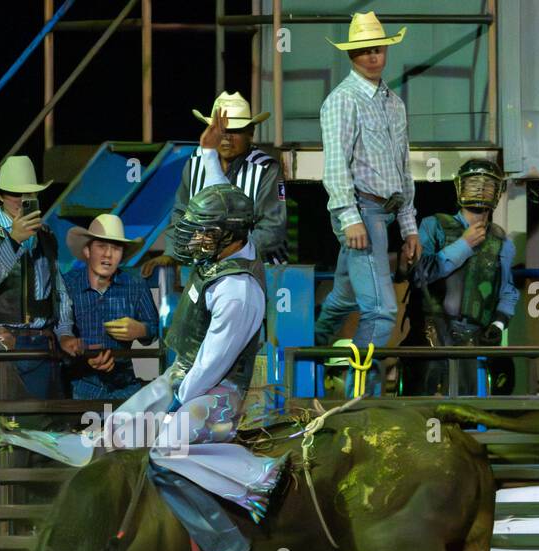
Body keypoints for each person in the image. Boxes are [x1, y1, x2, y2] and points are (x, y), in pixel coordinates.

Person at [0, 110, 285, 551]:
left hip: (217, 393)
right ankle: (37, 438)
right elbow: (218, 197)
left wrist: (169, 405)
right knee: (116, 433)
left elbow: (210, 366)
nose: (195, 238)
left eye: (205, 231)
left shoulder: (238, 289)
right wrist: (207, 150)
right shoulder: (228, 248)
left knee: (164, 451)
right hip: (186, 375)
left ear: (227, 235)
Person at [312, 12, 420, 394]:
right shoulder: (342, 100)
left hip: (384, 211)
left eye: (378, 49)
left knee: (344, 295)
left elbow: (403, 167)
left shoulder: (393, 102)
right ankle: (361, 393)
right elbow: (335, 164)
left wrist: (408, 226)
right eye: (364, 51)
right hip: (363, 209)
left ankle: (310, 353)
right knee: (381, 310)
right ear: (352, 55)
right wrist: (348, 216)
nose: (373, 56)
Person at [0, 156, 82, 398]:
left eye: (29, 194)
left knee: (44, 428)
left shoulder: (45, 236)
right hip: (3, 344)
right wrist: (13, 241)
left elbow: (57, 290)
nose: (22, 200)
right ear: (0, 195)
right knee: (8, 426)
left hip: (42, 345)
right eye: (15, 194)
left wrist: (65, 331)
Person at [141, 91, 288, 275]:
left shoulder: (266, 169)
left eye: (235, 131)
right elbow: (181, 213)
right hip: (205, 269)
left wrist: (229, 255)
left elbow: (272, 229)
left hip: (260, 270)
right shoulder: (195, 163)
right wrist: (172, 253)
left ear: (251, 132)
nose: (227, 137)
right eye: (221, 131)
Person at [404, 158, 517, 397]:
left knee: (471, 411)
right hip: (431, 335)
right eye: (474, 183)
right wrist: (463, 245)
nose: (480, 189)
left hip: (475, 338)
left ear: (497, 191)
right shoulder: (434, 225)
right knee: (424, 410)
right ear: (459, 187)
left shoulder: (501, 241)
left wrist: (498, 324)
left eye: (488, 184)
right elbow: (419, 276)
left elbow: (507, 290)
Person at [62, 214, 159, 401]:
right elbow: (57, 333)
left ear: (122, 255)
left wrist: (140, 330)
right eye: (101, 246)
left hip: (124, 388)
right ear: (88, 251)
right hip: (78, 388)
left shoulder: (135, 283)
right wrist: (85, 356)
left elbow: (153, 328)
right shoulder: (67, 285)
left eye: (116, 248)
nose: (108, 254)